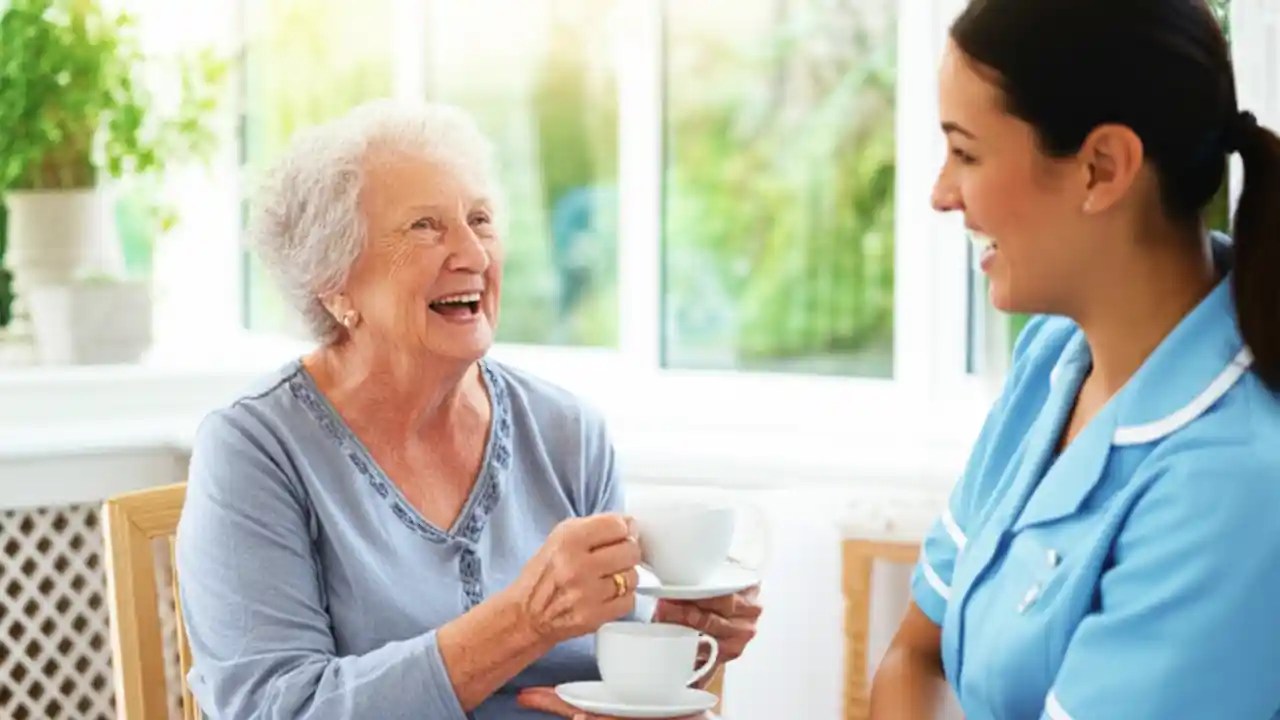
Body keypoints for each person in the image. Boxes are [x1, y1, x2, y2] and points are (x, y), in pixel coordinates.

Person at [176, 99, 760, 720]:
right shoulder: (255, 450)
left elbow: (598, 670)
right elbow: (276, 710)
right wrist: (522, 623)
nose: (474, 256)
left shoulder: (568, 434)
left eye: (479, 220)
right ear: (336, 284)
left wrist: (667, 634)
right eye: (425, 226)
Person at [871, 1, 1280, 718]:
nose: (941, 194)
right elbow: (916, 654)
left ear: (1102, 167)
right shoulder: (1055, 360)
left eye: (966, 153)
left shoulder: (1233, 485)